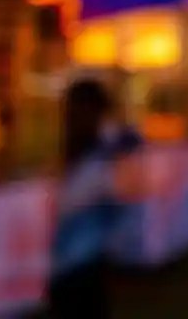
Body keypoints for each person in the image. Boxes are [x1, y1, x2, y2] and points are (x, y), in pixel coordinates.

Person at [47, 78, 143, 319]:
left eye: (73, 109)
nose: (68, 117)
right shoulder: (80, 151)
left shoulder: (104, 152)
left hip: (87, 265)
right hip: (68, 265)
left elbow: (132, 142)